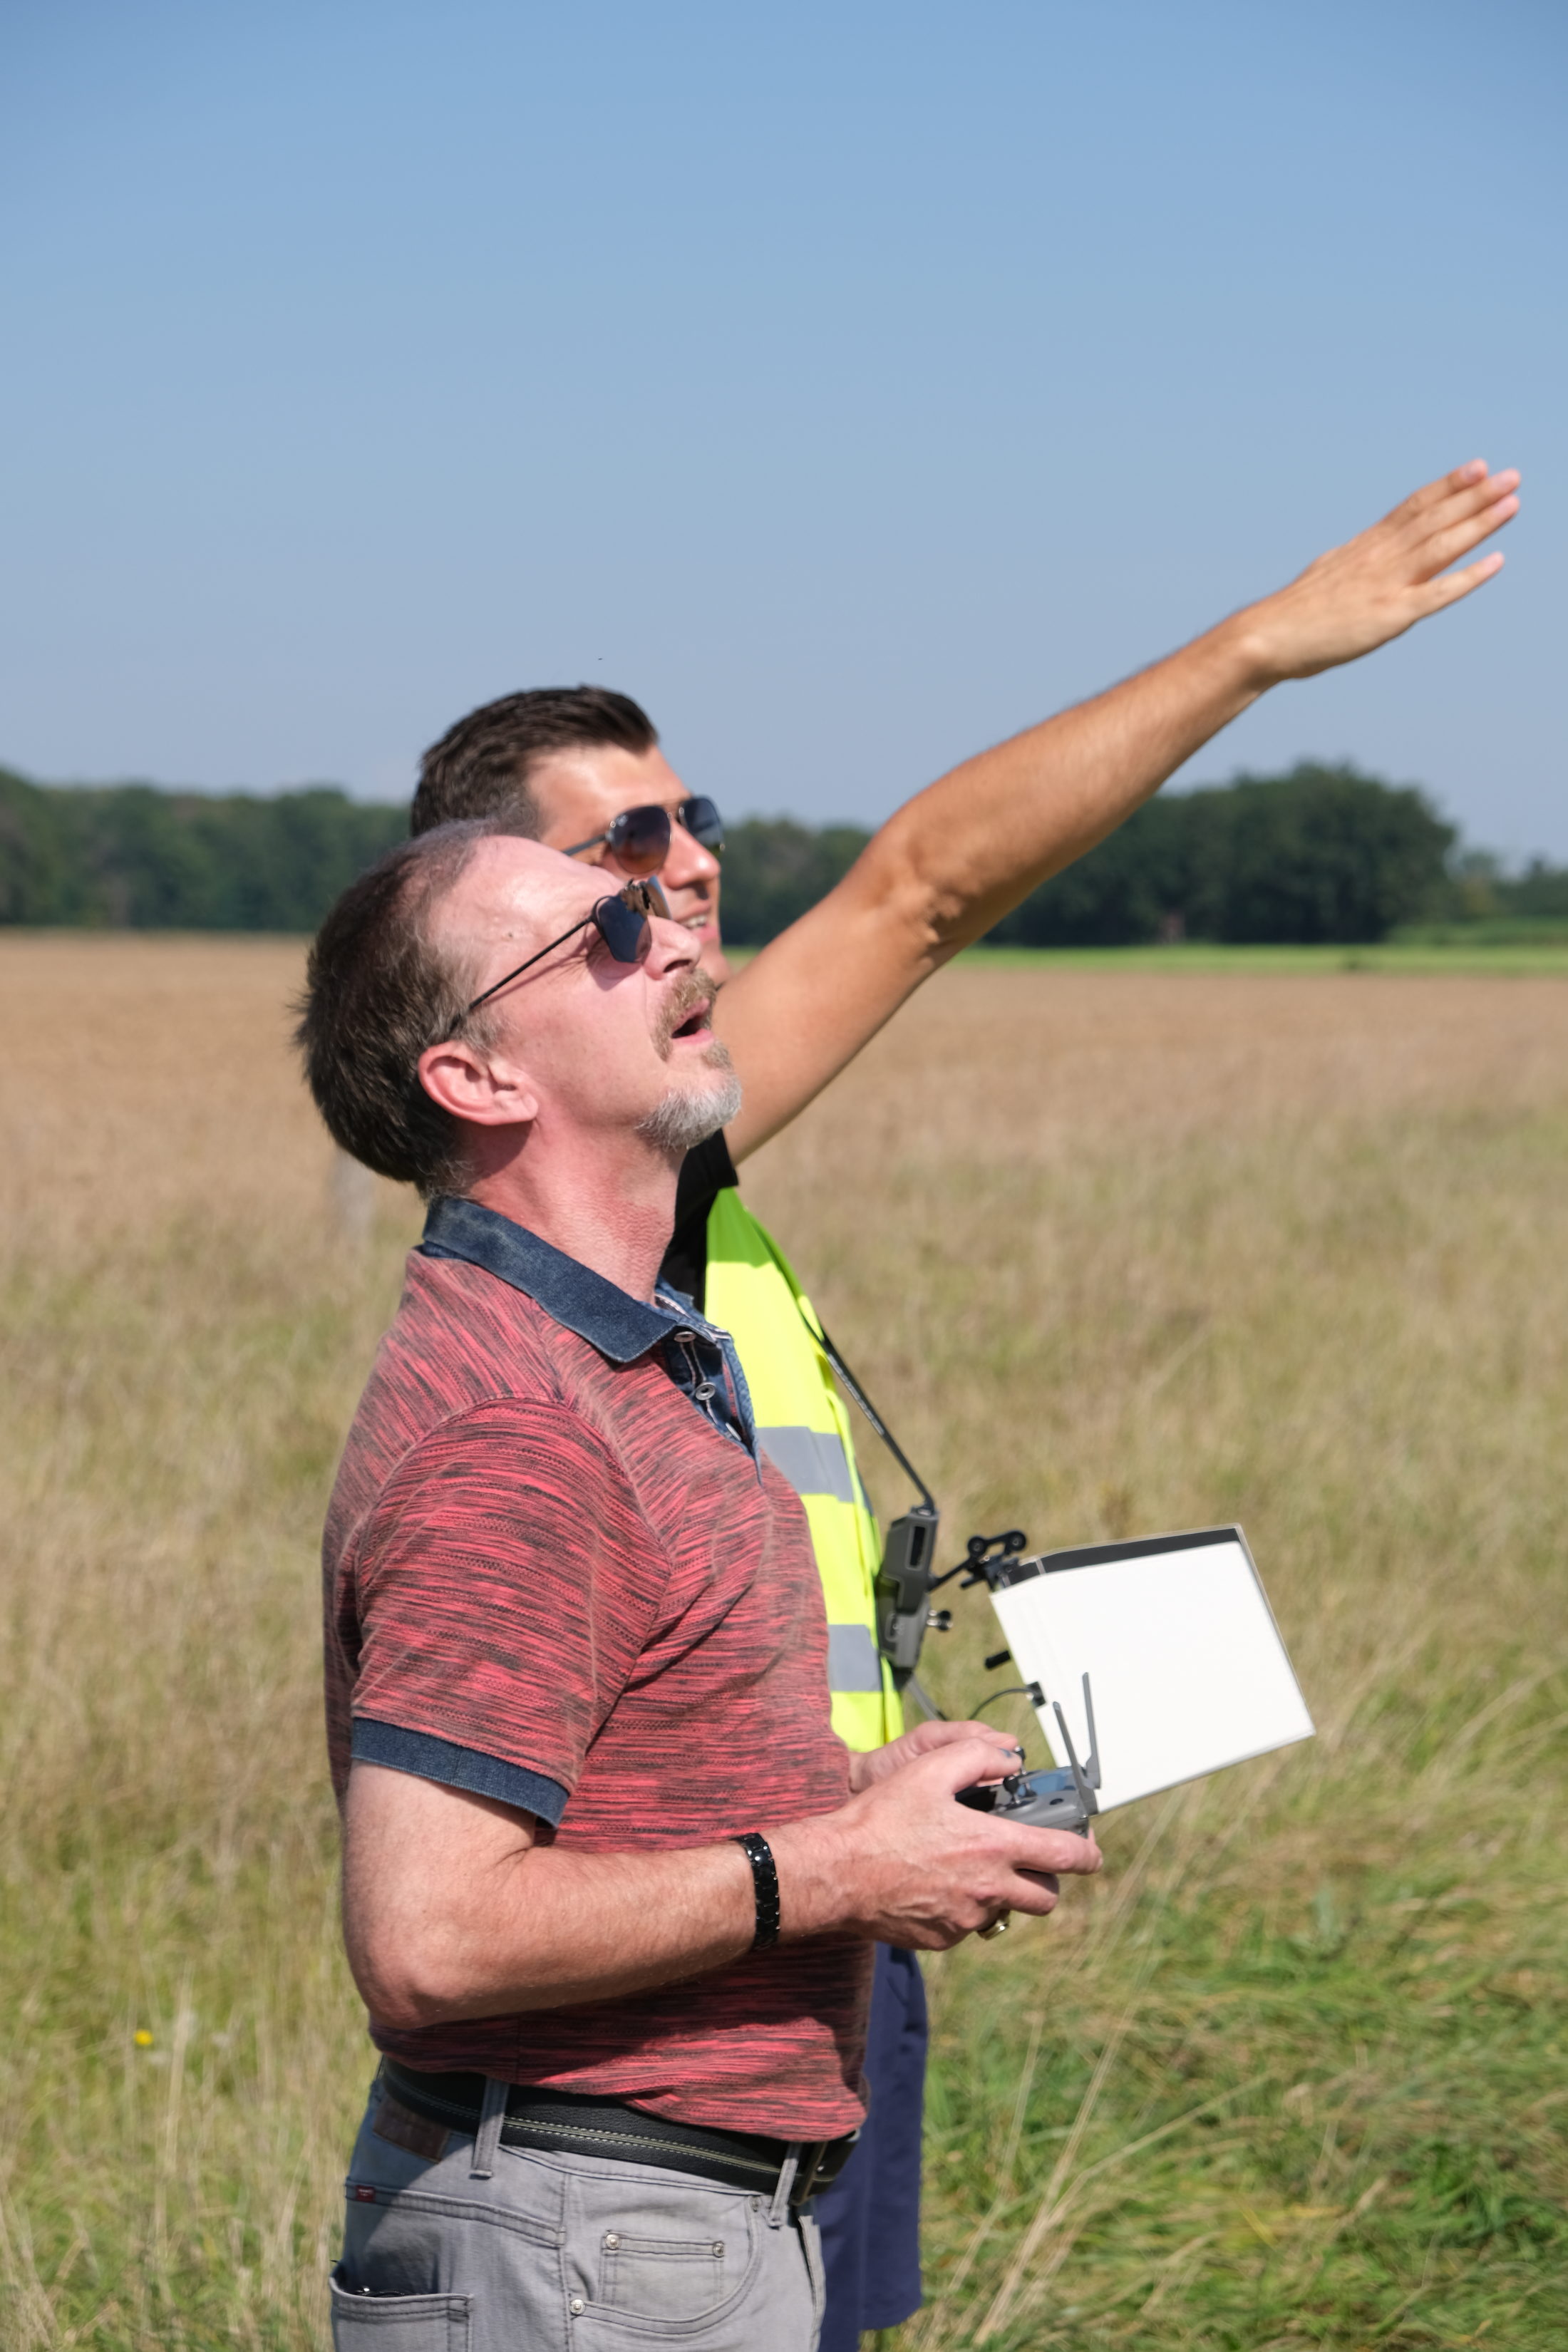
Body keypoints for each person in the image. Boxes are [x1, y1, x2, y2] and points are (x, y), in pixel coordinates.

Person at [405, 456, 1519, 2344]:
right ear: (490, 984)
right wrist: (1255, 647)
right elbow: (919, 892)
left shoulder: (673, 1175)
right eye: (621, 852)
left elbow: (915, 893)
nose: (689, 865)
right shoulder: (567, 1236)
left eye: (696, 819)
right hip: (648, 2033)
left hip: (814, 1938)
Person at [296, 823, 1103, 2352]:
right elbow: (429, 1937)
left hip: (638, 2237)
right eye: (601, 932)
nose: (673, 935)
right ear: (478, 1080)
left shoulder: (626, 1363)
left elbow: (631, 1781)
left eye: (657, 908)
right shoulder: (520, 1428)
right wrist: (842, 1871)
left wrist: (869, 1796)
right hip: (578, 2247)